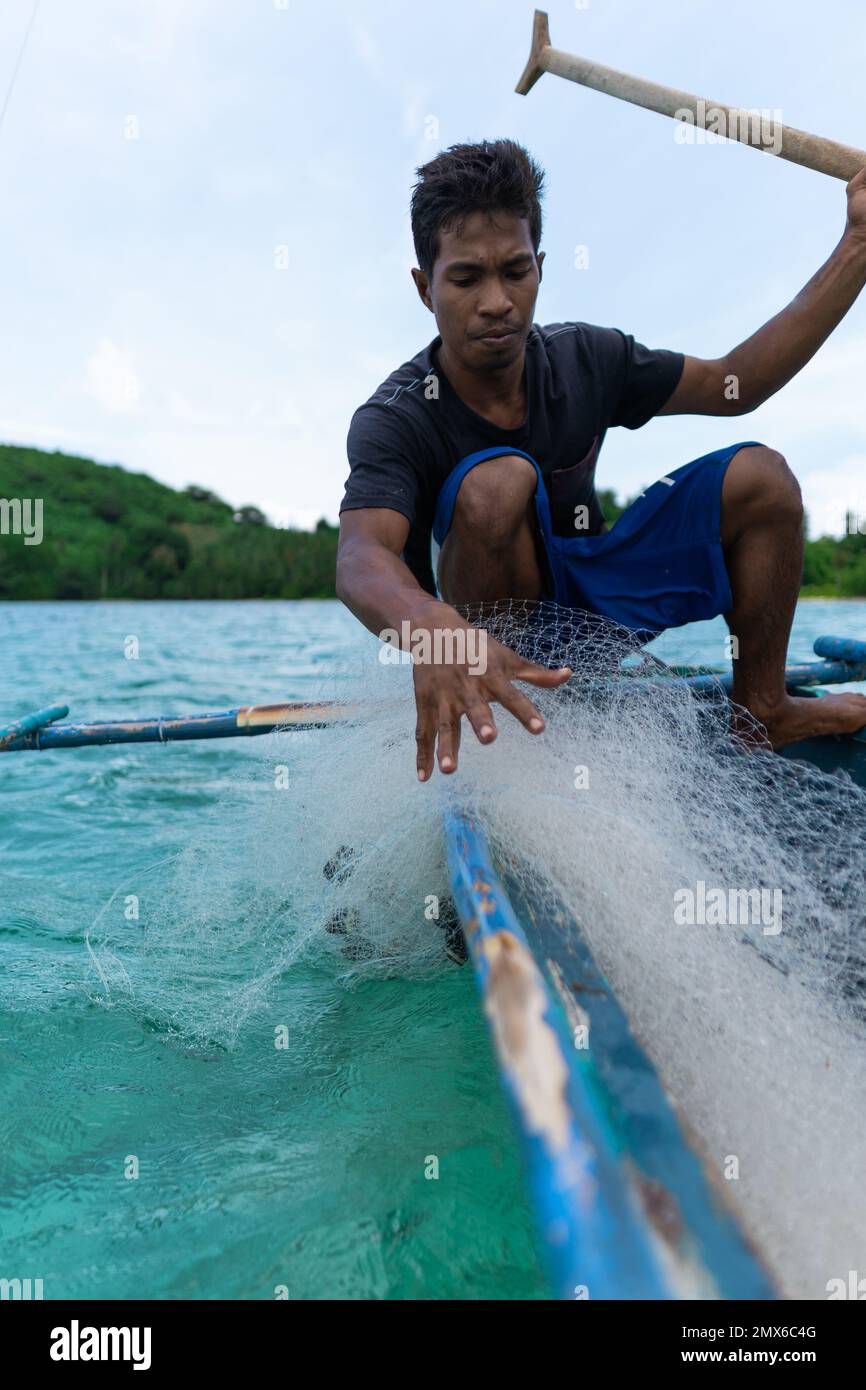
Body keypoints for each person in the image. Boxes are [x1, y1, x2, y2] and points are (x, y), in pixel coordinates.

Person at [337, 139, 866, 780]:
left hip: (594, 600)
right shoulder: (397, 414)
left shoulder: (585, 357)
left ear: (541, 266)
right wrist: (433, 629)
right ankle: (500, 734)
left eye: (515, 269)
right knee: (498, 484)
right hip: (480, 631)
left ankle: (762, 711)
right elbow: (363, 559)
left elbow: (738, 383)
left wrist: (858, 243)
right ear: (425, 288)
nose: (497, 301)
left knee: (764, 478)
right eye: (466, 278)